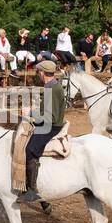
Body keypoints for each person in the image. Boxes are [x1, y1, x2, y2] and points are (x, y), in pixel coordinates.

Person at [18, 60, 67, 202]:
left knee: (29, 149)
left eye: (38, 72)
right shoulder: (51, 85)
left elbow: (50, 117)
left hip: (51, 126)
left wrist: (30, 113)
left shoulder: (51, 89)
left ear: (42, 73)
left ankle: (32, 190)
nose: (38, 74)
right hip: (48, 122)